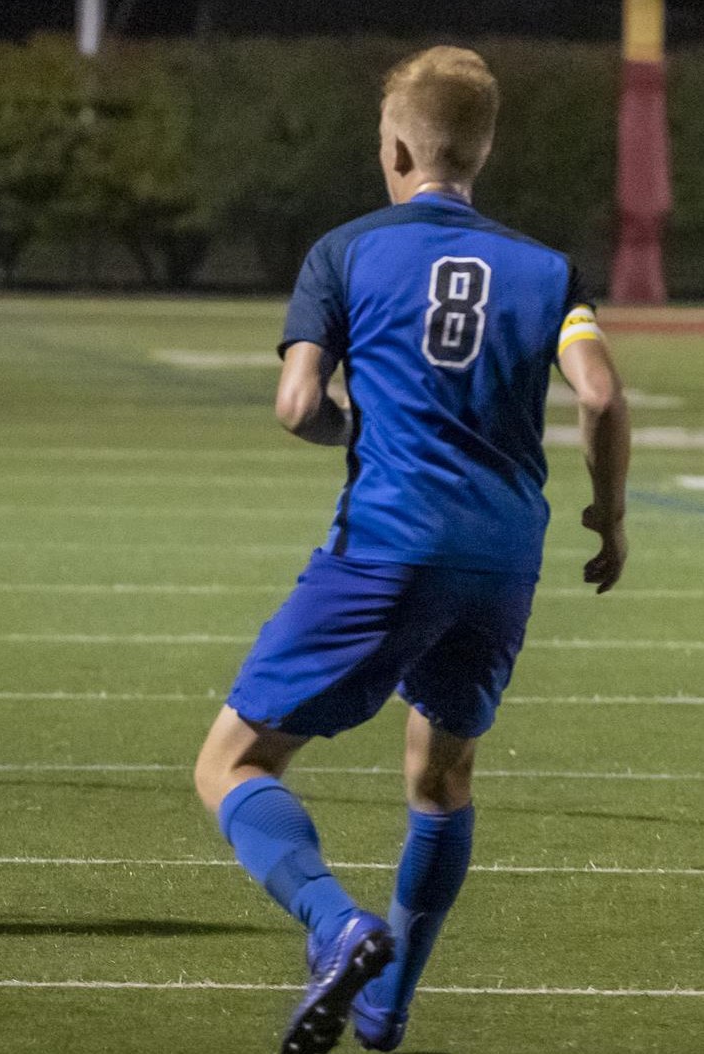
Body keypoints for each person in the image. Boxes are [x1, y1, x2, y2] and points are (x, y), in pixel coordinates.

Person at [190, 46, 630, 1054]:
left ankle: (335, 922)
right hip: (503, 557)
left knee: (233, 761)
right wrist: (608, 517)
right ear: (482, 151)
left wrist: (366, 430)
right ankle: (388, 1011)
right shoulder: (546, 269)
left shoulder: (344, 252)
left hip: (389, 542)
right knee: (440, 777)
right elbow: (601, 394)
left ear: (394, 147)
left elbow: (297, 403)